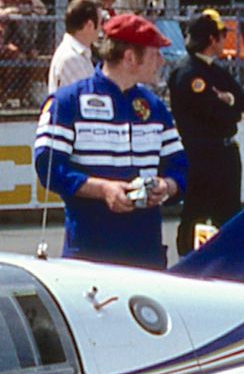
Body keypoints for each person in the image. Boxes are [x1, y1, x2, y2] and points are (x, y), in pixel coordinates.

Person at [33, 14, 187, 269]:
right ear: (129, 57)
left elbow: (180, 167)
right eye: (154, 54)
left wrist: (166, 185)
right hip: (90, 250)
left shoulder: (155, 107)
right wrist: (103, 190)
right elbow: (49, 168)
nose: (161, 61)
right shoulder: (68, 101)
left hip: (146, 250)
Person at [168, 10, 244, 256]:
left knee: (228, 214)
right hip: (201, 154)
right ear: (211, 39)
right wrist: (233, 109)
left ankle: (226, 261)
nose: (224, 40)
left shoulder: (216, 70)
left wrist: (231, 100)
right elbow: (214, 114)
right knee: (197, 213)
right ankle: (190, 262)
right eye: (221, 35)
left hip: (225, 152)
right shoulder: (189, 73)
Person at [48, 0, 102, 94]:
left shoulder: (81, 54)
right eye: (100, 23)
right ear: (89, 25)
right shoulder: (71, 58)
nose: (101, 28)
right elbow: (89, 99)